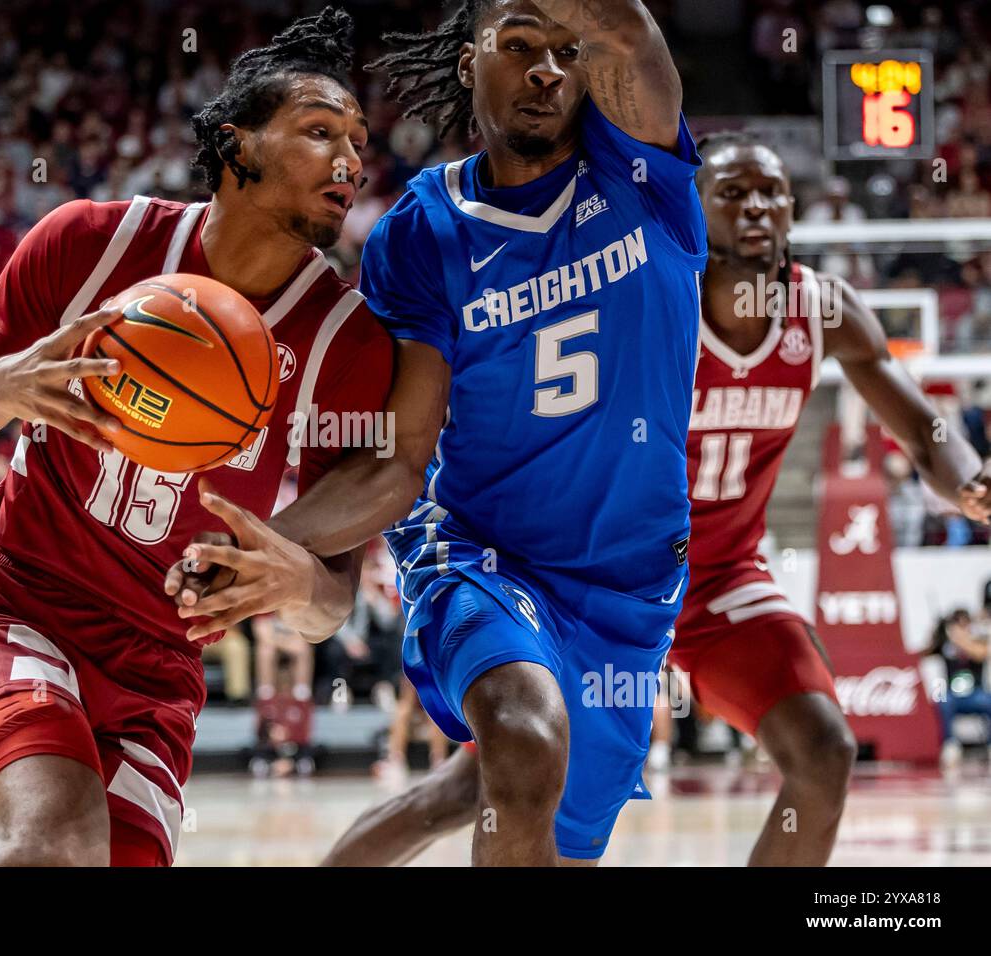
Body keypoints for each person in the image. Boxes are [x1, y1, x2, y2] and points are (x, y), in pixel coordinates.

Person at [305, 133, 991, 867]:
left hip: (719, 583)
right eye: (733, 193)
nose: (757, 208)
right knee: (487, 782)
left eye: (772, 193)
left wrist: (970, 480)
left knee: (824, 749)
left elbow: (925, 431)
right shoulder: (647, 300)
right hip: (602, 573)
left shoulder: (821, 310)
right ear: (691, 207)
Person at [172, 0, 706, 866]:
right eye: (520, 44)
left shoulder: (641, 174)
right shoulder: (422, 231)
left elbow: (630, 34)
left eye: (565, 51)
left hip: (629, 582)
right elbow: (401, 458)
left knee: (498, 785)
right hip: (481, 554)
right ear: (468, 64)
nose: (546, 69)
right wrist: (259, 545)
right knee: (526, 742)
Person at [0, 8, 392, 867]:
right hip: (18, 608)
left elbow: (333, 604)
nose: (350, 159)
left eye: (358, 139)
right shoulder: (87, 243)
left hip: (158, 673)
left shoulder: (347, 346)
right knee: (53, 849)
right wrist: (1, 386)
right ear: (236, 143)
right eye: (320, 132)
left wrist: (293, 579)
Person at [927, 608, 991, 768]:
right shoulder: (946, 645)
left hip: (976, 693)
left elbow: (981, 653)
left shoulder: (978, 639)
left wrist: (960, 639)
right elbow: (925, 653)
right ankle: (949, 745)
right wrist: (936, 633)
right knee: (943, 701)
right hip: (952, 694)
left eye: (964, 623)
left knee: (987, 701)